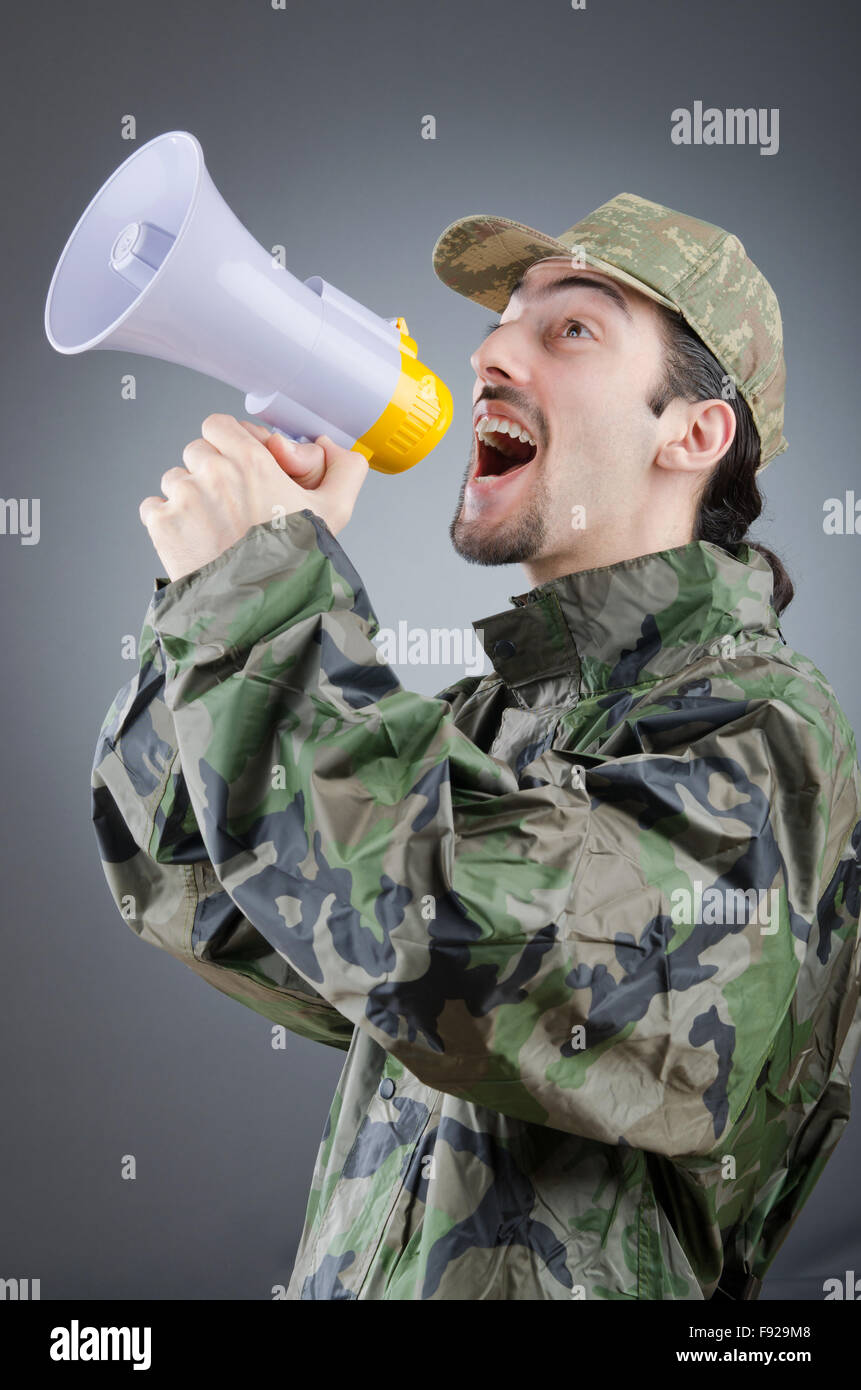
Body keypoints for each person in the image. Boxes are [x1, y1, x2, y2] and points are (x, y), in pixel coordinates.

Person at [91, 192, 861, 1301]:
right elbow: (191, 882)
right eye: (504, 319)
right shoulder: (481, 726)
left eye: (572, 328)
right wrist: (216, 605)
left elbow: (455, 936)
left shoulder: (768, 732)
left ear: (693, 433)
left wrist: (259, 605)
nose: (494, 349)